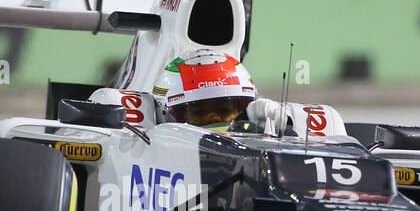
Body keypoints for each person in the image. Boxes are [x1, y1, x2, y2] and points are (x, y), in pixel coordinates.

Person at [91, 48, 345, 136]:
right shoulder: (130, 122)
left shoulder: (274, 121)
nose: (218, 125)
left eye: (228, 112)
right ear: (161, 112)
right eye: (201, 114)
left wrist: (286, 127)